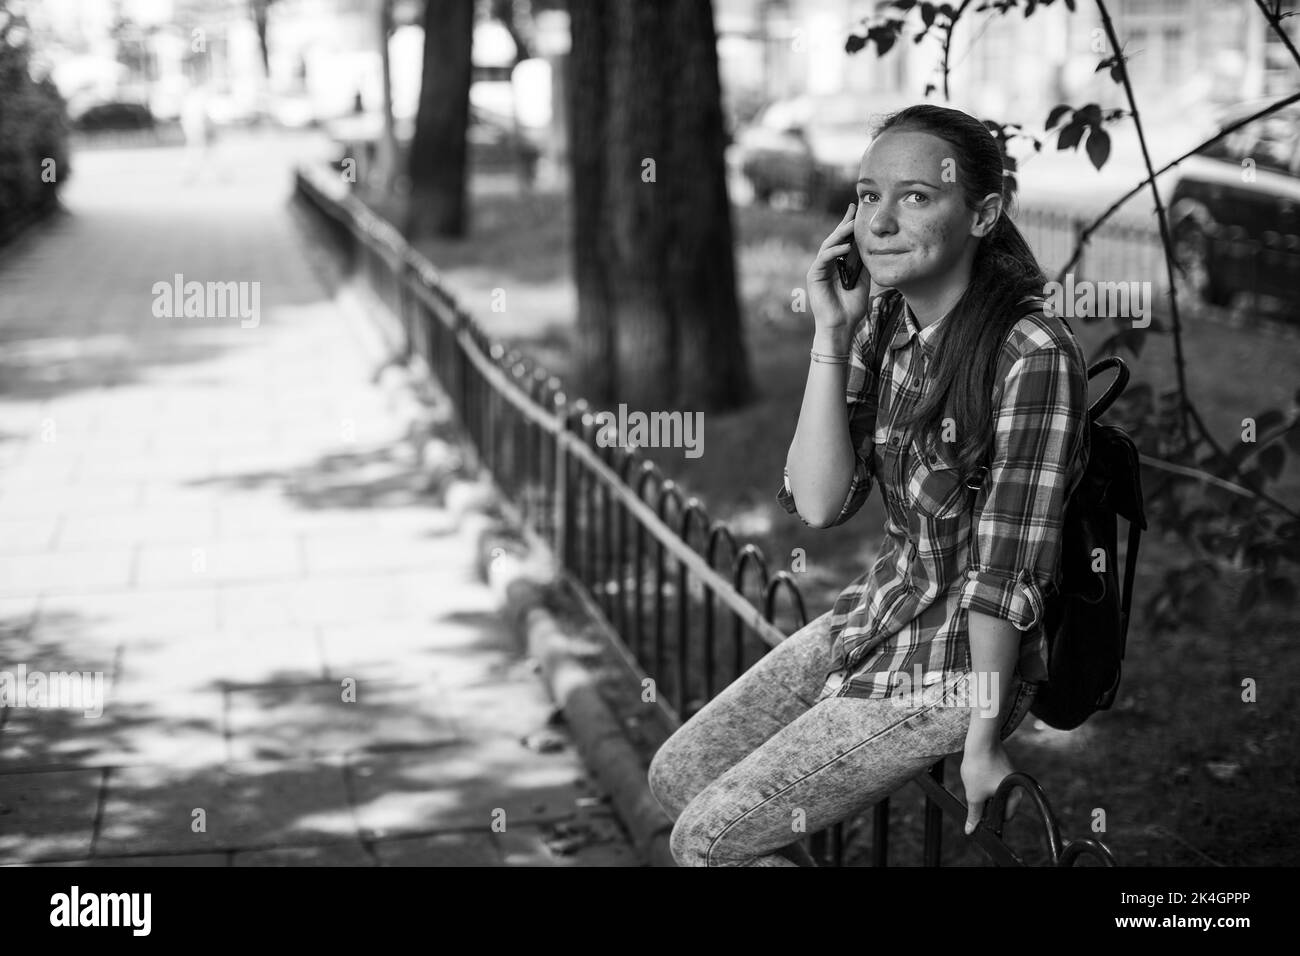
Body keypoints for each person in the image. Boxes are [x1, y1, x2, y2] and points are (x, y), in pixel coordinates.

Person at [646, 103, 1090, 867]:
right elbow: (819, 504)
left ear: (983, 214)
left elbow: (1004, 572)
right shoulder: (885, 324)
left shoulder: (1030, 352)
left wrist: (982, 741)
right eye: (867, 195)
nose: (878, 222)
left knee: (708, 841)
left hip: (959, 666)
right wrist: (832, 334)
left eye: (916, 196)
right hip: (885, 614)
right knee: (676, 775)